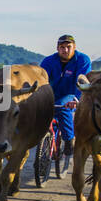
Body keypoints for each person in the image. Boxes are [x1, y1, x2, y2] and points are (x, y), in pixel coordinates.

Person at [40, 34, 91, 170]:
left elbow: (82, 80)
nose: (65, 50)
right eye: (62, 47)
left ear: (74, 47)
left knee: (63, 107)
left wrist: (77, 99)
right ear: (57, 48)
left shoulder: (82, 60)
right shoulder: (49, 61)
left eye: (68, 47)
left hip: (71, 96)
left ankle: (69, 140)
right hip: (51, 95)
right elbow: (41, 79)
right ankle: (46, 145)